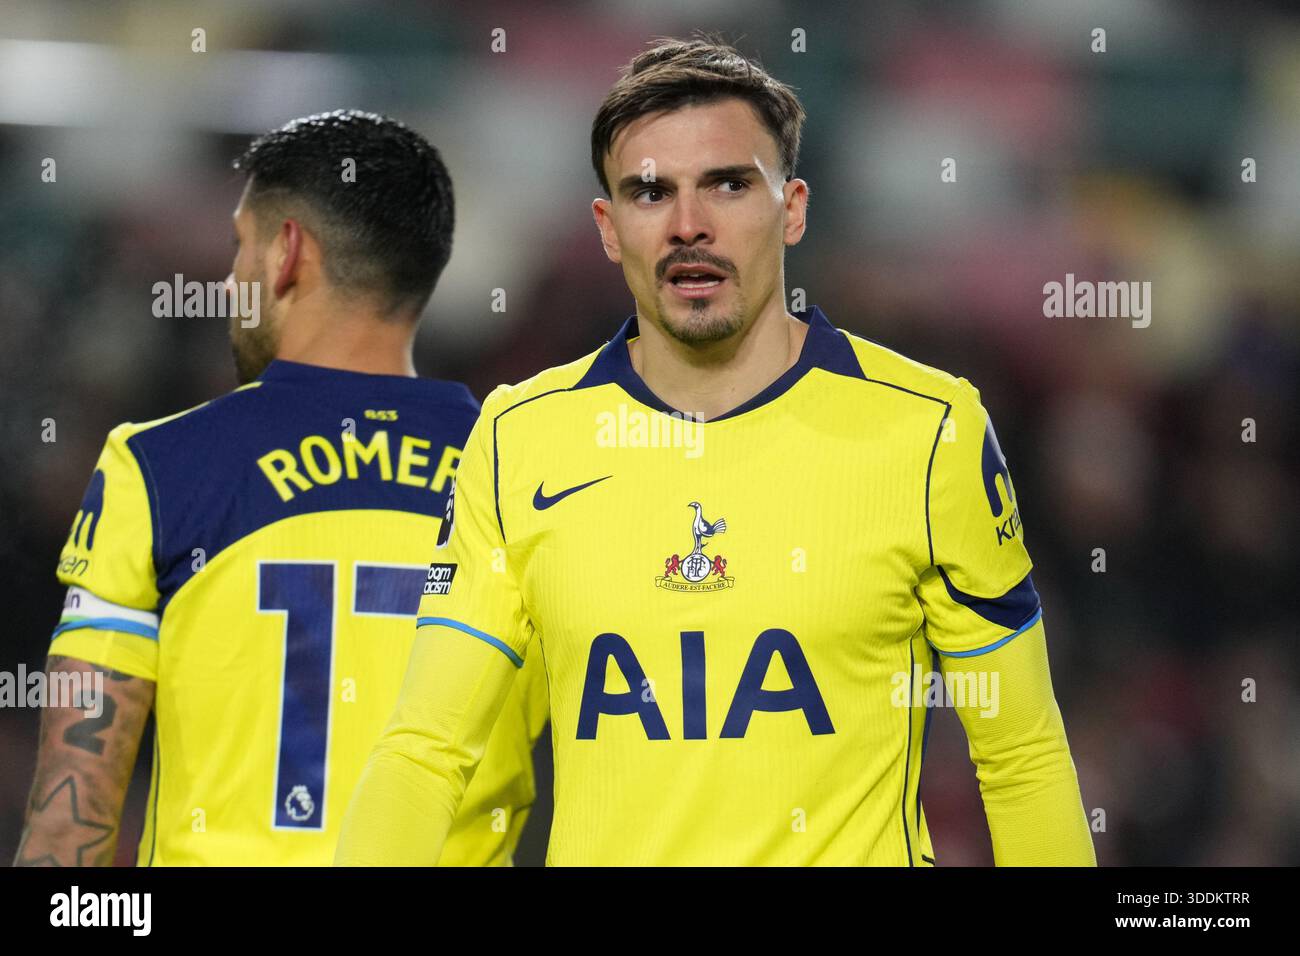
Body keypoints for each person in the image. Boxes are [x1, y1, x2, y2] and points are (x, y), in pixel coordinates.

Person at [337, 39, 1095, 866]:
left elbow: (1020, 756)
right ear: (608, 226)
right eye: (650, 192)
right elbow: (425, 749)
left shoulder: (927, 429)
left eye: (728, 185)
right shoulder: (520, 438)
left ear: (793, 208)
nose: (688, 224)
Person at [16, 109, 547, 867]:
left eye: (241, 247)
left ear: (286, 252)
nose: (232, 279)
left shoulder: (158, 466)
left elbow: (69, 831)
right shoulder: (532, 479)